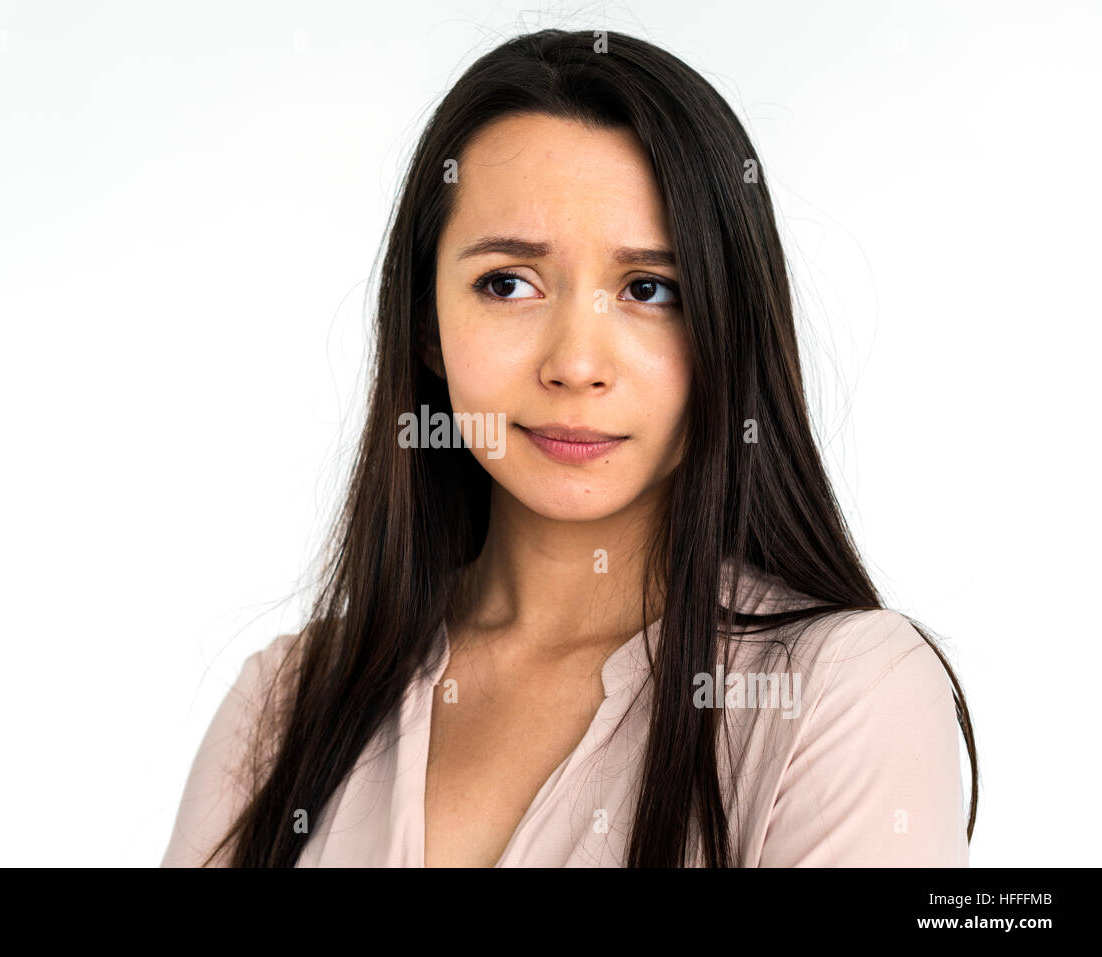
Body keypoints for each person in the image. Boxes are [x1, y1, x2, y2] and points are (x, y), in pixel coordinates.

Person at [162, 28, 977, 868]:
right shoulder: (289, 701)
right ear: (426, 327)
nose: (576, 365)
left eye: (650, 289)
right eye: (508, 283)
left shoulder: (845, 691)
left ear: (727, 328)